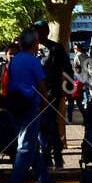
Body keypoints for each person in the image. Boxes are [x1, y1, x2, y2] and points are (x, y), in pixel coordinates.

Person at [5, 28, 53, 183]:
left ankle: (44, 180)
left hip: (14, 104)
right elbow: (42, 86)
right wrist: (45, 104)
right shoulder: (33, 61)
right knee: (26, 145)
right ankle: (14, 182)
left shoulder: (15, 60)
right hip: (30, 104)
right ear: (35, 43)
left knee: (31, 143)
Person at [36, 21, 71, 167]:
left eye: (39, 31)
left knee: (49, 123)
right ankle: (50, 156)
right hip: (35, 93)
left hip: (52, 92)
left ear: (46, 31)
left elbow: (67, 69)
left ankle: (54, 156)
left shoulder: (56, 48)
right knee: (43, 126)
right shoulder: (30, 49)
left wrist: (66, 89)